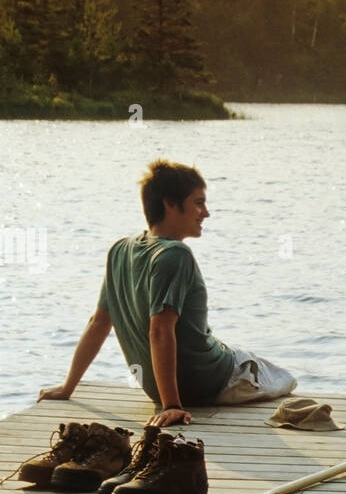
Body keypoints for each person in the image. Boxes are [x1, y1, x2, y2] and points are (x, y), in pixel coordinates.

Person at [38, 160, 296, 427]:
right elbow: (160, 330)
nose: (206, 213)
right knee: (285, 378)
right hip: (209, 382)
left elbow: (99, 322)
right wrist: (172, 405)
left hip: (158, 388)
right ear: (170, 204)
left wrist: (68, 387)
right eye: (198, 202)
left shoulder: (119, 250)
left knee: (228, 348)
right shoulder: (175, 254)